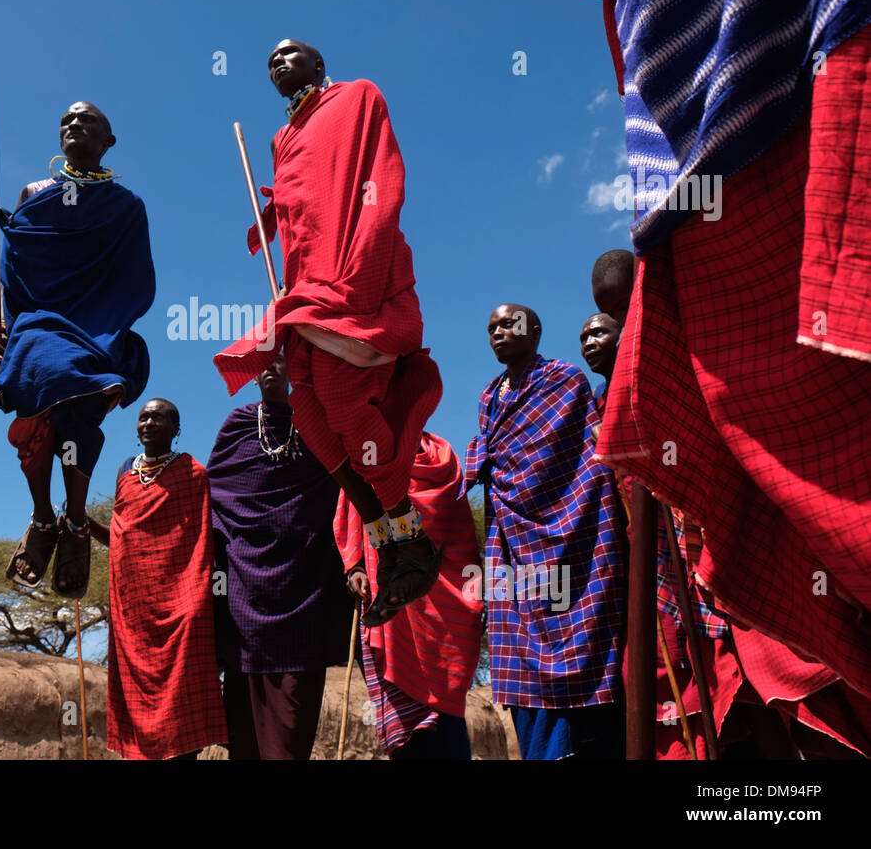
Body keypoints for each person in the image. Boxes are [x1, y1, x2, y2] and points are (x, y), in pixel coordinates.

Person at [510, 0, 871, 700]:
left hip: (784, 89)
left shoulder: (587, 393)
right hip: (701, 146)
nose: (595, 341)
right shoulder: (631, 396)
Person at [587, 260, 871, 760]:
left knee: (794, 659)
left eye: (622, 307)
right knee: (727, 679)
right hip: (673, 563)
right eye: (605, 312)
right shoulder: (605, 404)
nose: (619, 323)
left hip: (742, 530)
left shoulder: (697, 342)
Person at [214, 40, 443, 627]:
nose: (279, 62)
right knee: (312, 420)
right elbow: (305, 195)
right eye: (269, 59)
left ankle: (411, 538)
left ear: (319, 65)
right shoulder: (279, 138)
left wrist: (362, 270)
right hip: (303, 289)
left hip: (354, 277)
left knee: (345, 402)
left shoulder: (357, 97)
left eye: (292, 55)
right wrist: (272, 210)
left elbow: (379, 179)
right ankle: (388, 539)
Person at [0, 102, 153, 601]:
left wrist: (109, 324)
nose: (74, 126)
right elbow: (18, 273)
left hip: (97, 325)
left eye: (88, 121)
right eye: (67, 121)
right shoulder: (35, 193)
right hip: (37, 322)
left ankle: (69, 520)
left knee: (75, 404)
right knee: (44, 376)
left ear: (109, 140)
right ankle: (45, 514)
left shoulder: (126, 206)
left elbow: (134, 280)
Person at [464, 303, 626, 759]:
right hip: (509, 546)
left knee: (588, 646)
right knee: (518, 659)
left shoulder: (564, 381)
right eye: (490, 327)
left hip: (575, 537)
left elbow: (582, 466)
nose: (498, 333)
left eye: (508, 324)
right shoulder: (487, 398)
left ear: (535, 332)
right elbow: (498, 466)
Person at [207, 354, 350, 760]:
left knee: (289, 732)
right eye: (264, 364)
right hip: (243, 598)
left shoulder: (317, 425)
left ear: (296, 374)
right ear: (253, 377)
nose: (271, 368)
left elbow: (342, 492)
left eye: (282, 362)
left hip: (302, 593)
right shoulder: (237, 427)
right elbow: (214, 501)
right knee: (243, 732)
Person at [86, 398, 226, 760]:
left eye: (159, 418)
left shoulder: (193, 473)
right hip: (134, 606)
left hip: (181, 601)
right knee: (135, 699)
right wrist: (83, 525)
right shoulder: (124, 473)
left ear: (175, 429)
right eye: (143, 417)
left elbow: (202, 539)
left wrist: (196, 598)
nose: (148, 423)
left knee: (183, 697)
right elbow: (121, 537)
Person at [334, 431, 483, 759]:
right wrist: (355, 568)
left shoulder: (441, 457)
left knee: (447, 725)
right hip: (394, 610)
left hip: (447, 618)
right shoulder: (365, 457)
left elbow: (458, 537)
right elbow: (353, 516)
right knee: (411, 736)